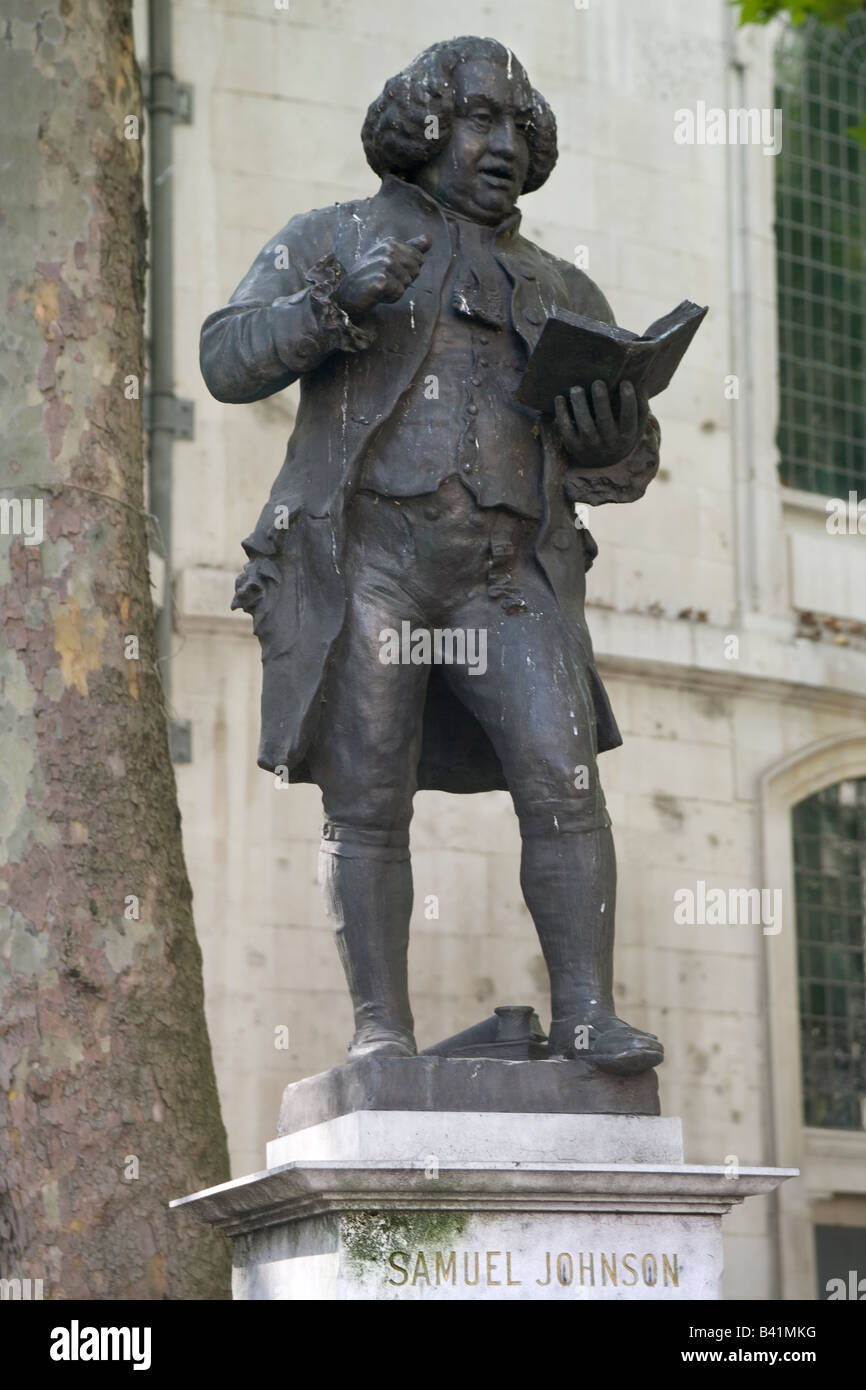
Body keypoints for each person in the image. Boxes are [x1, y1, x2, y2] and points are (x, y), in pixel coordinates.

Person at [200, 36, 664, 1074]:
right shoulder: (333, 235)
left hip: (508, 571)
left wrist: (609, 440)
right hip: (372, 561)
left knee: (564, 780)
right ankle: (381, 1030)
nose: (503, 144)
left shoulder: (562, 285)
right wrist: (328, 306)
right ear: (422, 126)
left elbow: (627, 462)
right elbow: (224, 355)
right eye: (478, 119)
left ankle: (586, 1013)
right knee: (366, 801)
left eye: (518, 125)